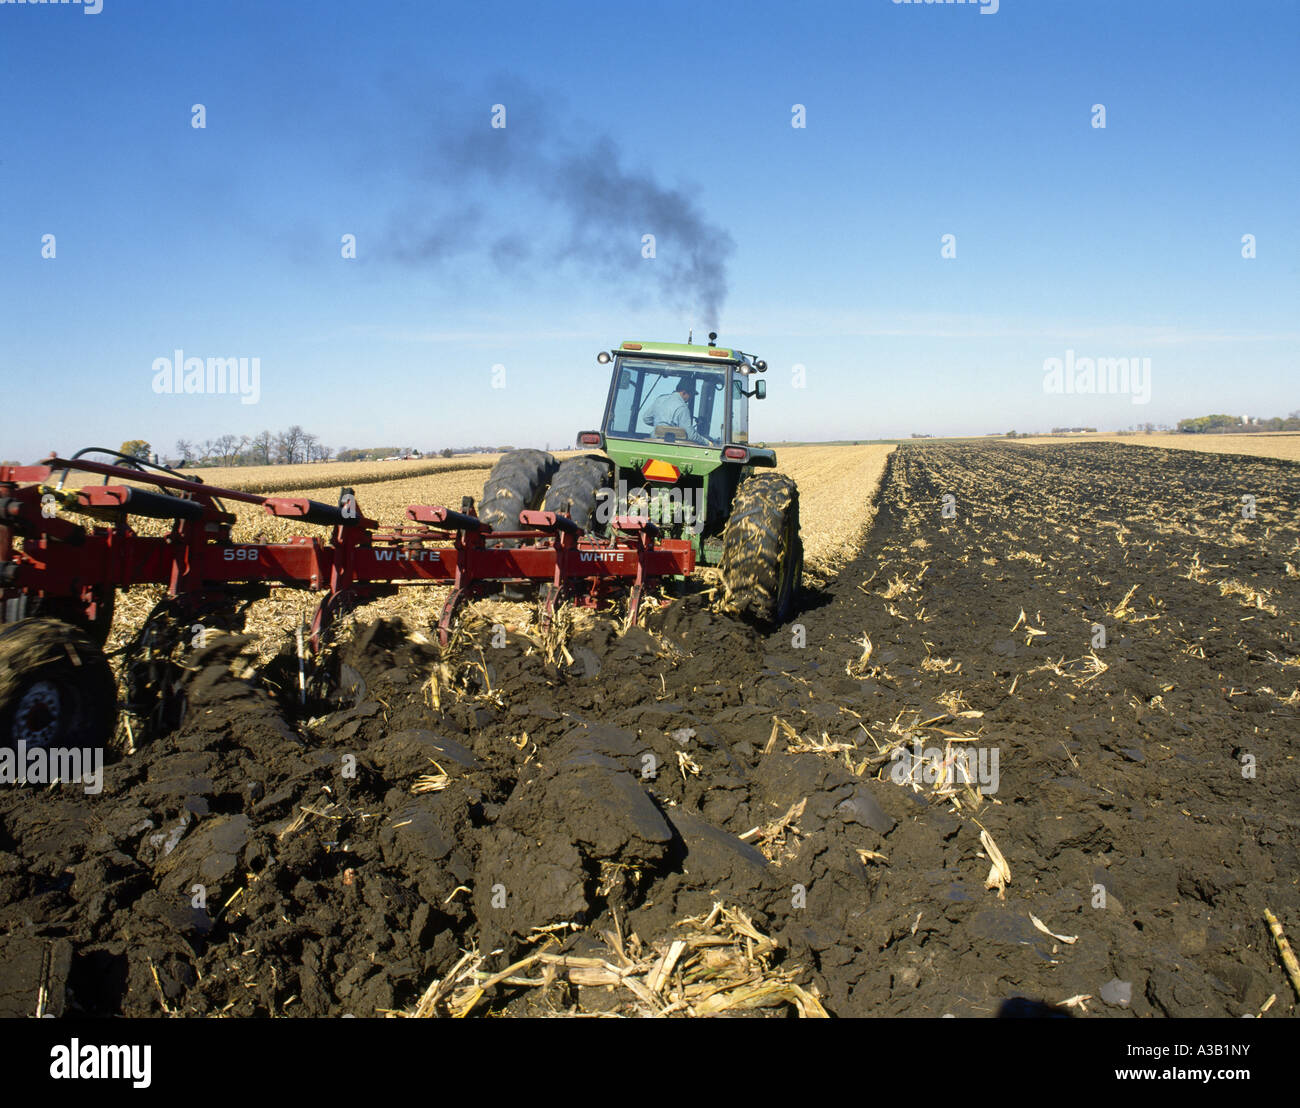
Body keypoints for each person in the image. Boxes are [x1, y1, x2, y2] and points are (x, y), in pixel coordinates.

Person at [641, 377, 712, 444]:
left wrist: (661, 426)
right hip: (672, 446)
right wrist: (706, 442)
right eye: (691, 395)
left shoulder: (660, 399)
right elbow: (690, 435)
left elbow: (646, 419)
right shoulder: (682, 407)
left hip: (654, 442)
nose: (691, 398)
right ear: (684, 392)